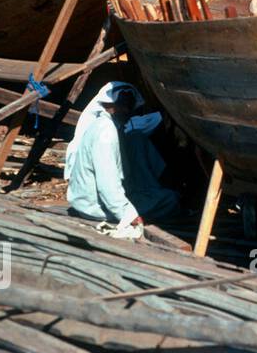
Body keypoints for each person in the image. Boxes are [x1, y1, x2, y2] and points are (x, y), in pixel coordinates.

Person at [65, 82, 176, 239]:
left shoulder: (108, 126)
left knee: (136, 137)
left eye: (129, 105)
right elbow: (107, 185)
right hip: (94, 206)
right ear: (109, 104)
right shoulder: (106, 133)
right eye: (122, 104)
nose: (126, 110)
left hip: (96, 200)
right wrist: (127, 214)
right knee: (169, 200)